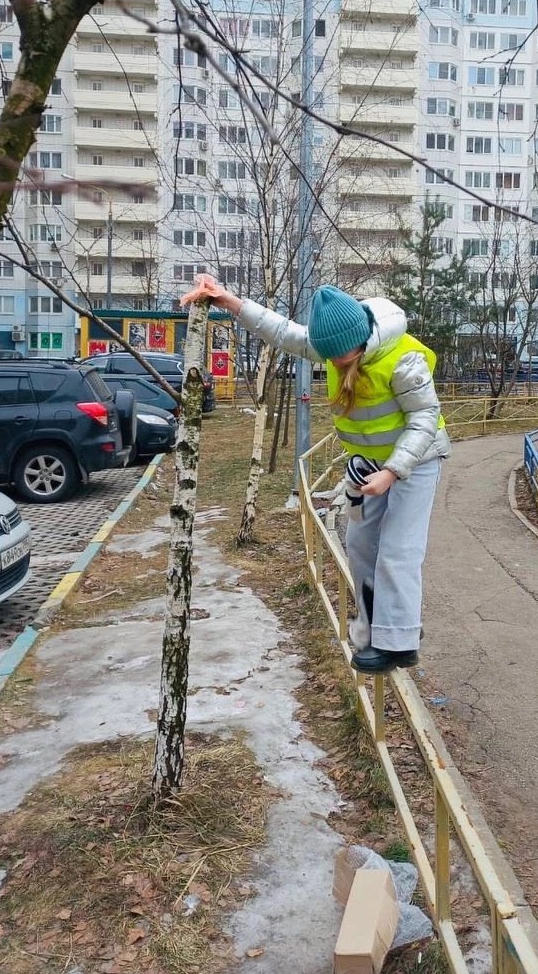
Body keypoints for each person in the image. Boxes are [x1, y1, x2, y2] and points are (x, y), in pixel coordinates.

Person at [180, 273, 450, 674]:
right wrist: (229, 301)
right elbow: (283, 332)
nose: (335, 364)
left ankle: (400, 642)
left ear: (359, 341)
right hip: (368, 464)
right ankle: (376, 629)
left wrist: (393, 472)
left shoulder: (402, 360)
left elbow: (425, 417)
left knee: (398, 550)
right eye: (329, 357)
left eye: (341, 358)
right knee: (360, 546)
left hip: (416, 461)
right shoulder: (334, 345)